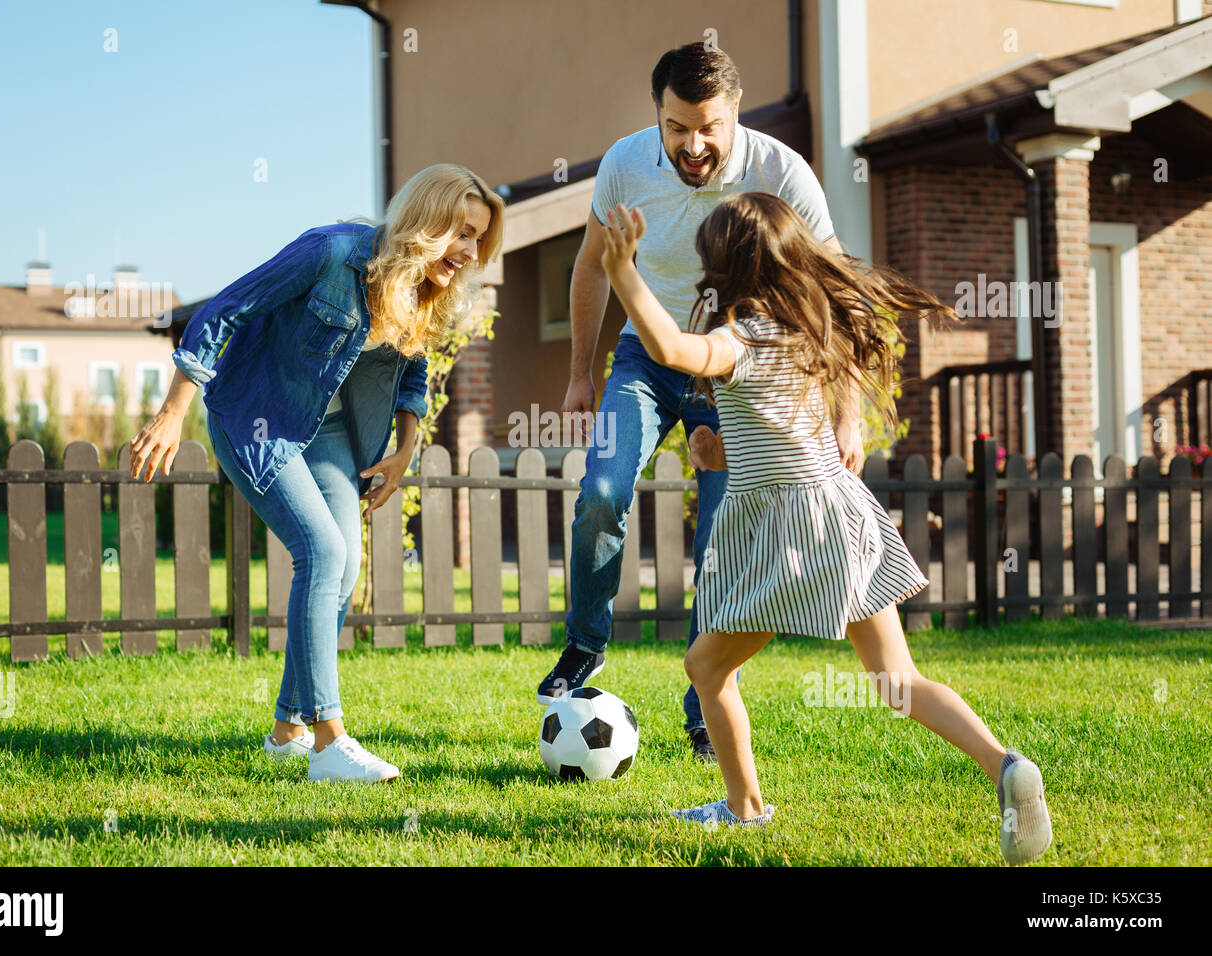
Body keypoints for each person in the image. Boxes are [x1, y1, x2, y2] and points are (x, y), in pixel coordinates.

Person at [597, 193, 1052, 865]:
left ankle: (744, 809)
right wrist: (721, 452)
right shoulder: (807, 334)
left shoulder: (742, 337)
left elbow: (668, 346)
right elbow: (784, 431)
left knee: (704, 666)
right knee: (897, 680)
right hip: (843, 513)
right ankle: (1005, 764)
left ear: (727, 268)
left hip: (794, 537)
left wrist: (622, 270)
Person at [128, 164, 504, 784]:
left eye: (477, 241)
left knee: (344, 565)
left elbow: (413, 370)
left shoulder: (422, 292)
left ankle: (286, 734)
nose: (467, 251)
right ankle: (330, 742)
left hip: (329, 432)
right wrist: (173, 411)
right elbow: (225, 310)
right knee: (322, 553)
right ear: (424, 220)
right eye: (460, 232)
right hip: (259, 414)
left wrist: (405, 448)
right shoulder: (328, 252)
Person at [539, 43, 853, 763]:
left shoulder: (782, 173)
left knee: (721, 539)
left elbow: (833, 291)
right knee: (602, 492)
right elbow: (591, 265)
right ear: (658, 114)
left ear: (734, 111)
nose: (693, 144)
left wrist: (845, 412)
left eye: (707, 125)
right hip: (646, 360)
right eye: (677, 127)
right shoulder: (625, 163)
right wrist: (580, 375)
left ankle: (703, 710)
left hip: (732, 372)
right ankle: (585, 647)